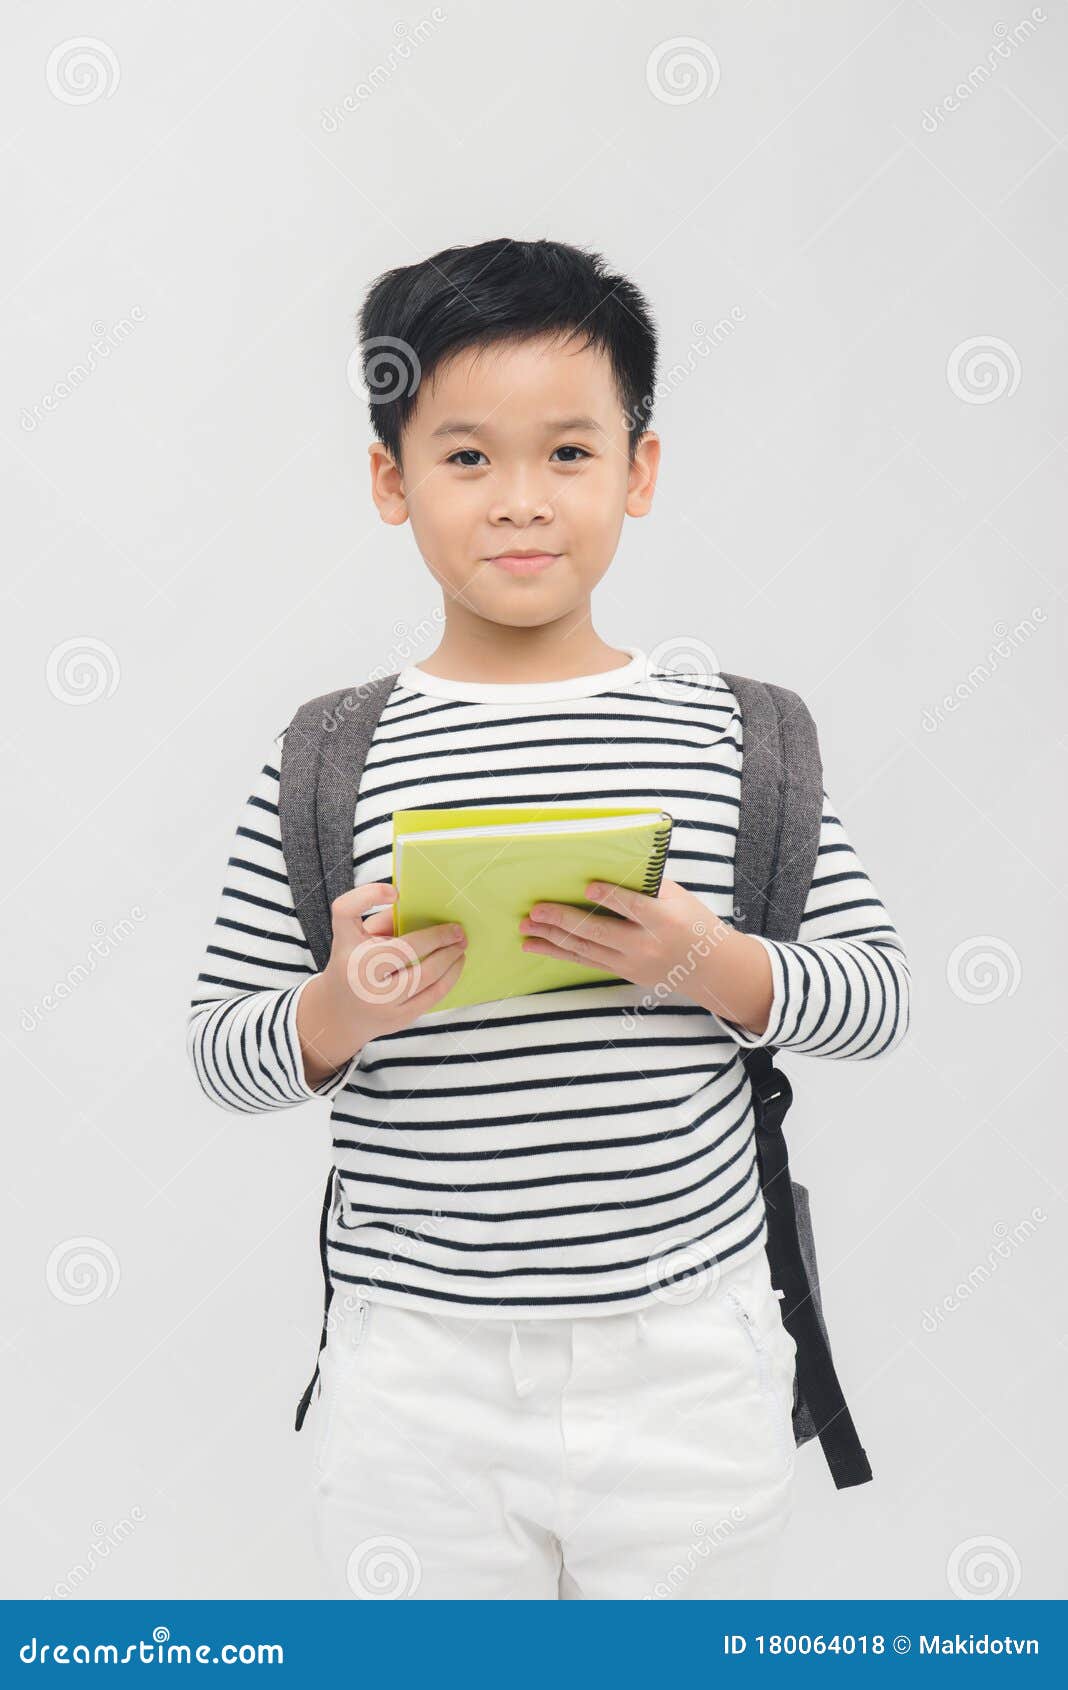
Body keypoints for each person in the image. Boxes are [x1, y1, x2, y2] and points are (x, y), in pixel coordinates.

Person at [186, 237, 911, 1600]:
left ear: (640, 469)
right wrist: (341, 1003)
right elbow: (224, 1052)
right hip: (416, 1381)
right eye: (466, 457)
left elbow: (874, 997)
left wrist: (705, 960)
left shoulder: (731, 735)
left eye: (569, 453)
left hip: (688, 1363)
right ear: (391, 481)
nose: (521, 500)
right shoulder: (327, 757)